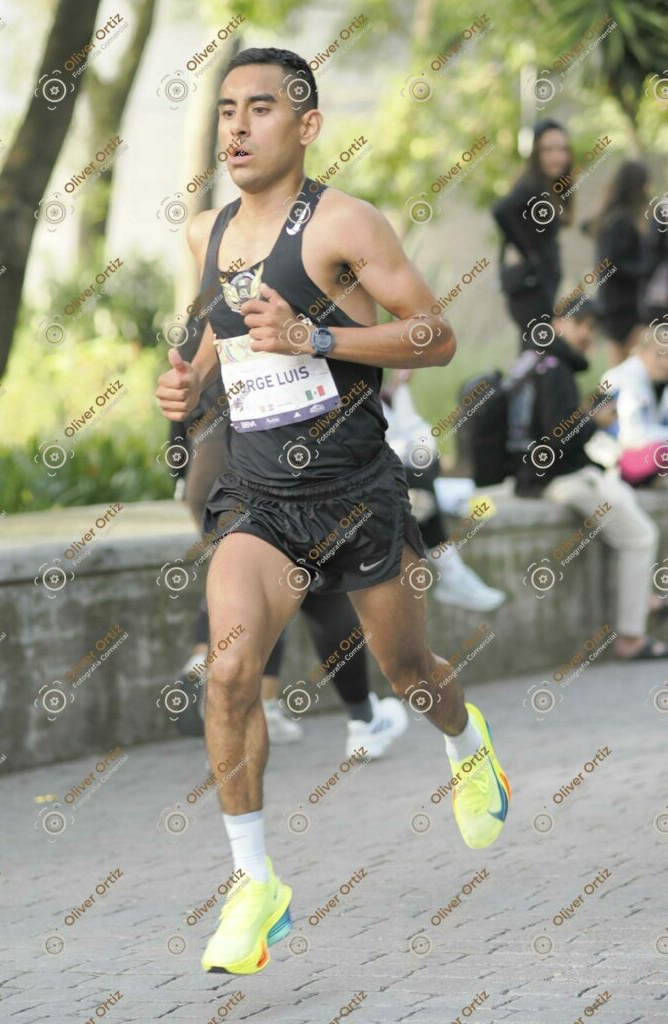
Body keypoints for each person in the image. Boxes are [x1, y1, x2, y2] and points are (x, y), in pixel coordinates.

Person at [156, 47, 511, 976]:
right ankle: (253, 883)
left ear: (307, 125)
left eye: (261, 108)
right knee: (230, 672)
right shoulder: (204, 233)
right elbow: (214, 335)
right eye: (227, 109)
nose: (237, 127)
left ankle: (467, 743)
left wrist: (316, 334)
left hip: (356, 492)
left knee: (409, 672)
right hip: (257, 497)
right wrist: (185, 384)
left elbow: (436, 335)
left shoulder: (344, 222)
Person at [176, 322, 409, 755]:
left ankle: (223, 682)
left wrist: (180, 472)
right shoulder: (291, 296)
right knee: (315, 595)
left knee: (245, 590)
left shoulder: (206, 312)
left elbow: (181, 392)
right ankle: (360, 720)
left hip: (209, 471)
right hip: (272, 467)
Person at [511, 298, 667, 660]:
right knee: (640, 535)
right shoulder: (554, 369)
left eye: (591, 328)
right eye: (581, 325)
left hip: (539, 476)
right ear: (559, 323)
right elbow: (559, 437)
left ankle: (644, 598)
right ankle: (631, 638)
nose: (586, 335)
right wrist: (593, 421)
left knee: (623, 499)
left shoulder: (532, 361)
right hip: (557, 480)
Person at [381, 370, 506, 611]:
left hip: (398, 472)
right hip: (348, 480)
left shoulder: (379, 392)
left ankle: (454, 574)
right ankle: (453, 574)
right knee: (419, 489)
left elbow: (410, 430)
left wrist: (399, 391)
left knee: (421, 481)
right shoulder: (342, 391)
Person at [493, 119, 574, 350]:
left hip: (540, 283)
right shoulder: (531, 185)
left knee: (535, 349)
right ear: (536, 153)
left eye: (562, 149)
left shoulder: (549, 186)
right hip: (529, 285)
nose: (556, 156)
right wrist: (529, 252)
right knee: (538, 347)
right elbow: (501, 210)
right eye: (548, 149)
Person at [584, 160, 651, 365]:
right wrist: (644, 271)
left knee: (621, 365)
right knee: (630, 365)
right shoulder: (621, 221)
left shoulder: (610, 218)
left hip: (613, 304)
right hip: (623, 306)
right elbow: (613, 261)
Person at [603, 327, 668, 484]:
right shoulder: (625, 378)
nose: (665, 362)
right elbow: (631, 435)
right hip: (613, 460)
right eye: (659, 354)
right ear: (641, 352)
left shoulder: (656, 380)